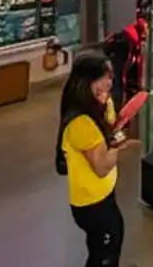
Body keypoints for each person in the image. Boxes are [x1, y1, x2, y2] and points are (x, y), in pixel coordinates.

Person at [58, 53, 136, 267]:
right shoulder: (81, 124)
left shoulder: (99, 107)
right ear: (86, 83)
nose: (109, 84)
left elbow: (111, 128)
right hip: (92, 203)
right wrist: (117, 147)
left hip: (102, 195)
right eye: (103, 78)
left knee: (99, 246)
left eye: (110, 77)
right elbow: (101, 167)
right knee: (108, 247)